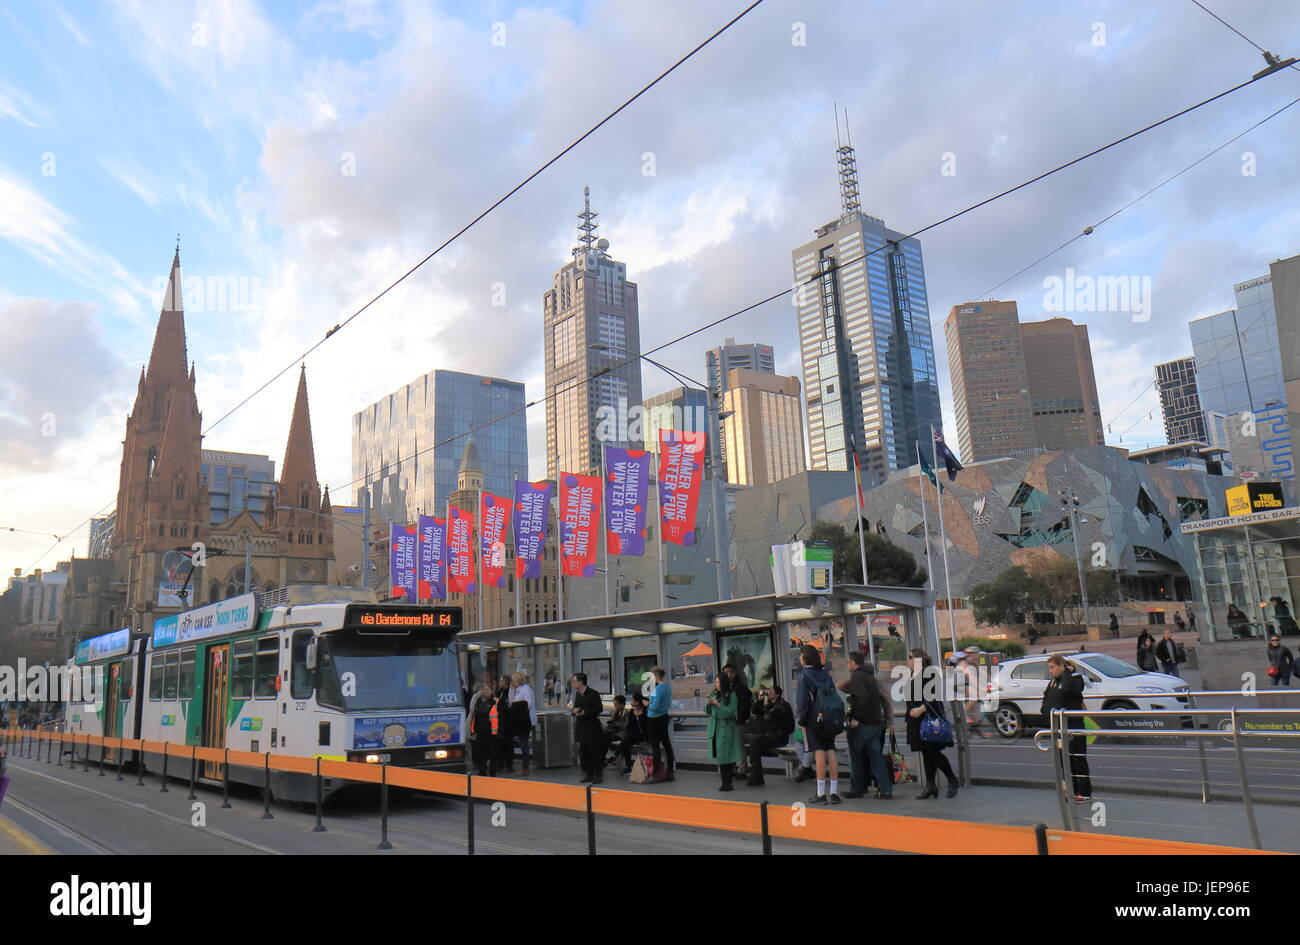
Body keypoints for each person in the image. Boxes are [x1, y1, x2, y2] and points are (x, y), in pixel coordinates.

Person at [904, 648, 957, 799]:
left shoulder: (930, 673)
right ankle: (930, 785)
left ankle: (952, 778)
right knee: (926, 753)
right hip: (916, 719)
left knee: (933, 752)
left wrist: (921, 708)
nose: (908, 660)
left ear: (918, 659)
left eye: (910, 657)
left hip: (927, 718)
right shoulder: (913, 675)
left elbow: (935, 695)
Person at [838, 651, 892, 799]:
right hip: (875, 724)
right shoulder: (870, 677)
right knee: (876, 758)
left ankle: (857, 788)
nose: (848, 664)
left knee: (856, 757)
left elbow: (861, 698)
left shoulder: (857, 676)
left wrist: (856, 718)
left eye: (848, 662)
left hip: (863, 725)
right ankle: (885, 789)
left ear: (853, 662)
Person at [795, 643, 842, 805]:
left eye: (801, 656)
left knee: (819, 752)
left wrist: (802, 720)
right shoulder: (825, 675)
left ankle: (821, 792)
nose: (800, 658)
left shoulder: (804, 676)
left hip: (814, 720)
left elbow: (802, 702)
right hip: (829, 718)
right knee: (831, 751)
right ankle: (834, 792)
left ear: (805, 658)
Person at [1042, 654, 1091, 802]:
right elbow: (1046, 698)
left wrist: (1068, 672)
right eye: (1049, 668)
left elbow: (1068, 690)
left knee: (1077, 758)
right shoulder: (1053, 682)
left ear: (1061, 666)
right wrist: (1045, 712)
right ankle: (1071, 790)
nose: (1050, 671)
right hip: (1059, 725)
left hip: (1073, 724)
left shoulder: (1074, 679)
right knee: (1064, 760)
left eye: (1052, 668)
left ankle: (1084, 792)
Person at [744, 685, 795, 786]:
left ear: (777, 694)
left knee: (755, 743)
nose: (768, 693)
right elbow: (754, 711)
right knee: (754, 742)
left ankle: (757, 775)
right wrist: (759, 700)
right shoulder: (770, 704)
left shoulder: (782, 705)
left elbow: (768, 717)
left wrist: (766, 704)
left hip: (780, 736)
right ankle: (756, 774)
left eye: (771, 692)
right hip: (770, 735)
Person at [706, 673, 741, 791]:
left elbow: (729, 712)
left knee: (727, 757)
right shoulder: (714, 693)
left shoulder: (732, 694)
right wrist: (709, 704)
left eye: (719, 682)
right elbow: (708, 712)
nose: (717, 685)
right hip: (716, 729)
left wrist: (718, 704)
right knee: (721, 757)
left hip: (726, 730)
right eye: (716, 682)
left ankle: (729, 782)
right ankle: (723, 781)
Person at [570, 673, 604, 783]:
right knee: (584, 752)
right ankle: (588, 773)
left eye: (574, 681)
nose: (573, 683)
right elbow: (576, 707)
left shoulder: (593, 694)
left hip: (592, 726)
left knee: (594, 752)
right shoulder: (578, 694)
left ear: (581, 682)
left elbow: (599, 708)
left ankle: (598, 775)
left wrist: (585, 712)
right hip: (581, 726)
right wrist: (575, 710)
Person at [722, 664, 753, 775]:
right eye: (726, 672)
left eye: (731, 672)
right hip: (729, 722)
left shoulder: (740, 688)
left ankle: (741, 769)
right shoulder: (724, 688)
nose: (729, 674)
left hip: (738, 722)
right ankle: (736, 768)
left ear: (735, 673)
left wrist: (741, 719)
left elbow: (744, 705)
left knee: (738, 746)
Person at [646, 666, 675, 782]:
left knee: (655, 747)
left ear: (655, 675)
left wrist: (646, 704)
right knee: (667, 745)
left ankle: (656, 773)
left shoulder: (658, 689)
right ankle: (670, 771)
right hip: (664, 717)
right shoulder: (667, 687)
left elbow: (655, 706)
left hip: (654, 719)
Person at [466, 680, 498, 777]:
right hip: (480, 733)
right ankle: (482, 771)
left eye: (487, 689)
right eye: (483, 689)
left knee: (493, 755)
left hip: (492, 733)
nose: (485, 691)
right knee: (481, 754)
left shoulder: (495, 702)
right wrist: (477, 695)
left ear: (491, 692)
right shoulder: (478, 702)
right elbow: (471, 710)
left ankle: (492, 773)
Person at [508, 671, 536, 777]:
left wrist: (516, 704)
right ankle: (525, 767)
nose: (512, 682)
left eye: (513, 680)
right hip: (520, 720)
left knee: (524, 744)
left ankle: (525, 767)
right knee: (522, 742)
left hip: (526, 720)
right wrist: (511, 690)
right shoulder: (518, 690)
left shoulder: (526, 690)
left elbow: (528, 704)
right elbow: (511, 701)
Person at [618, 695, 651, 774]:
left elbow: (646, 726)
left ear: (637, 703)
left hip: (643, 735)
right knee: (627, 742)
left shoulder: (646, 712)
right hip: (632, 735)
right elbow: (629, 726)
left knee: (627, 739)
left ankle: (617, 754)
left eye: (633, 700)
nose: (631, 702)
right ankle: (628, 766)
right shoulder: (631, 712)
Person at [494, 676, 515, 774]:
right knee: (500, 744)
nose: (500, 682)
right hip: (500, 722)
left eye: (501, 681)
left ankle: (509, 765)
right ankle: (500, 764)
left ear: (505, 682)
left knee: (508, 744)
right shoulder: (501, 691)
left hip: (507, 723)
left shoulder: (509, 692)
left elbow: (508, 706)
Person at [603, 694, 630, 763]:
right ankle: (602, 758)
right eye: (614, 704)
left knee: (606, 737)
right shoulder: (615, 713)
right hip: (614, 732)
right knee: (604, 737)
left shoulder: (627, 713)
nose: (615, 706)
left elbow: (625, 725)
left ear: (622, 704)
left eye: (616, 704)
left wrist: (616, 724)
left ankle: (603, 758)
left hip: (621, 733)